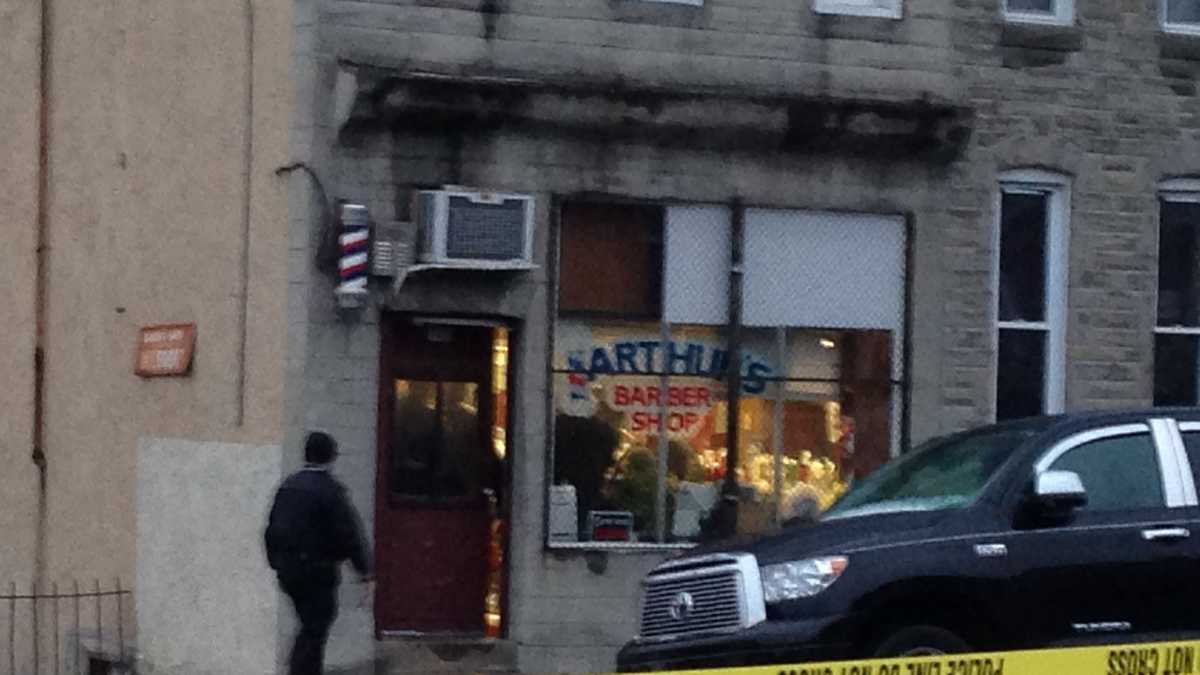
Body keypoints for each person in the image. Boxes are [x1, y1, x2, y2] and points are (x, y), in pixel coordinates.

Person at [264, 431, 372, 675]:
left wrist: (277, 562)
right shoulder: (330, 491)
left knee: (309, 623)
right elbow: (348, 533)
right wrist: (365, 571)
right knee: (316, 625)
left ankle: (299, 665)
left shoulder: (288, 487)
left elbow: (271, 529)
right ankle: (300, 669)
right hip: (318, 571)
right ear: (331, 457)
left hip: (290, 570)